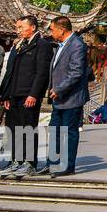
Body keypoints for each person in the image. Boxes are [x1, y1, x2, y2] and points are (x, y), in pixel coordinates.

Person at [0, 15, 51, 178]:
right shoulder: (18, 46)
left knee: (28, 129)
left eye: (21, 27)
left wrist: (34, 94)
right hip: (14, 94)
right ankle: (16, 160)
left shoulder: (42, 45)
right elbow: (9, 73)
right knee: (13, 130)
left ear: (33, 27)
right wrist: (5, 95)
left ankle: (29, 163)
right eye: (17, 27)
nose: (18, 30)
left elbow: (42, 73)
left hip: (28, 94)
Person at [44, 17, 89, 177]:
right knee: (55, 130)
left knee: (69, 132)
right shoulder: (61, 46)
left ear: (61, 29)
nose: (51, 32)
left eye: (52, 29)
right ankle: (52, 163)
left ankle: (67, 165)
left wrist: (60, 88)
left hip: (71, 97)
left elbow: (76, 72)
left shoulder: (77, 45)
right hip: (59, 97)